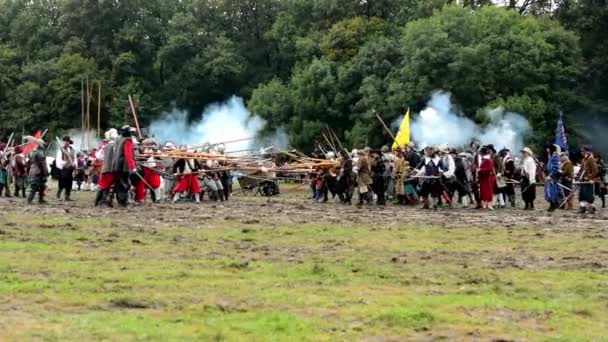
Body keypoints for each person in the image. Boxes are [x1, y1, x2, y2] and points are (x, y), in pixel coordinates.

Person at [110, 125, 137, 207]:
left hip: (116, 164)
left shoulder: (118, 138)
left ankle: (121, 201)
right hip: (123, 165)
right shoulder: (127, 140)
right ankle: (123, 202)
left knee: (119, 183)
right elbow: (128, 155)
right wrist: (133, 167)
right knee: (124, 184)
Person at [95, 129, 119, 207]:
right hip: (112, 168)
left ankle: (103, 202)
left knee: (104, 185)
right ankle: (103, 202)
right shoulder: (115, 146)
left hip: (105, 168)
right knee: (107, 186)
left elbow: (98, 156)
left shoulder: (105, 146)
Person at [25, 136, 49, 204]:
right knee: (34, 186)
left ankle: (41, 199)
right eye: (43, 144)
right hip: (38, 171)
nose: (44, 146)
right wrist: (46, 171)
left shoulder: (34, 151)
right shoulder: (40, 152)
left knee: (42, 186)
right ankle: (29, 200)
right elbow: (43, 163)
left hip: (34, 170)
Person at [579, 145, 599, 214]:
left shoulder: (591, 159)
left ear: (586, 151)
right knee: (582, 195)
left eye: (582, 151)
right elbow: (581, 169)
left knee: (589, 195)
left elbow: (595, 170)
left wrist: (591, 178)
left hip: (588, 181)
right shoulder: (583, 159)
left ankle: (591, 209)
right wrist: (578, 176)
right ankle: (583, 208)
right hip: (583, 180)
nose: (581, 152)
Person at [56, 136, 76, 201]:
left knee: (69, 183)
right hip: (64, 169)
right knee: (62, 182)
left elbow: (74, 158)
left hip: (71, 169)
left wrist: (74, 164)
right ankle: (59, 192)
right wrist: (65, 163)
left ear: (69, 142)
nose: (66, 142)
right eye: (64, 141)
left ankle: (67, 196)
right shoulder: (61, 150)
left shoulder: (73, 149)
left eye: (67, 141)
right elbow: (58, 159)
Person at [544, 144, 562, 212]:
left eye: (548, 148)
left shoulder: (555, 156)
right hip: (549, 176)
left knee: (552, 192)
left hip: (553, 177)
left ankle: (554, 205)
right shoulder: (551, 156)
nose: (547, 150)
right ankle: (552, 205)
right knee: (548, 192)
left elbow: (555, 167)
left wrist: (551, 175)